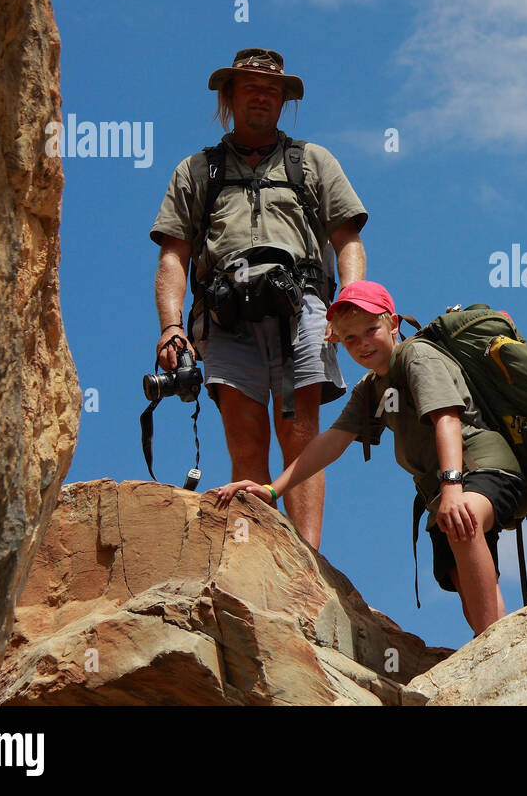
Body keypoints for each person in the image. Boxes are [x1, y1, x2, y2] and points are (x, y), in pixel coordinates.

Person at [213, 281, 525, 637]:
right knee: (461, 576)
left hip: (483, 468)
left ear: (392, 324)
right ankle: (492, 642)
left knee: (462, 522)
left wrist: (453, 486)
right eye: (349, 339)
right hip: (441, 491)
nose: (362, 344)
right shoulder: (372, 387)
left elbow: (448, 419)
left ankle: (495, 643)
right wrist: (272, 490)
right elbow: (332, 441)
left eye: (371, 330)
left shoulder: (418, 357)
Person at [150, 48, 367, 551]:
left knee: (301, 432)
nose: (263, 97)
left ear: (284, 101)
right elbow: (173, 258)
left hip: (303, 308)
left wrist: (349, 303)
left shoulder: (312, 161)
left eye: (273, 91)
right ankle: (259, 559)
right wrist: (170, 327)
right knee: (245, 439)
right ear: (229, 97)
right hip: (224, 317)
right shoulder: (197, 171)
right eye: (251, 88)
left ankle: (307, 559)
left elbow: (347, 240)